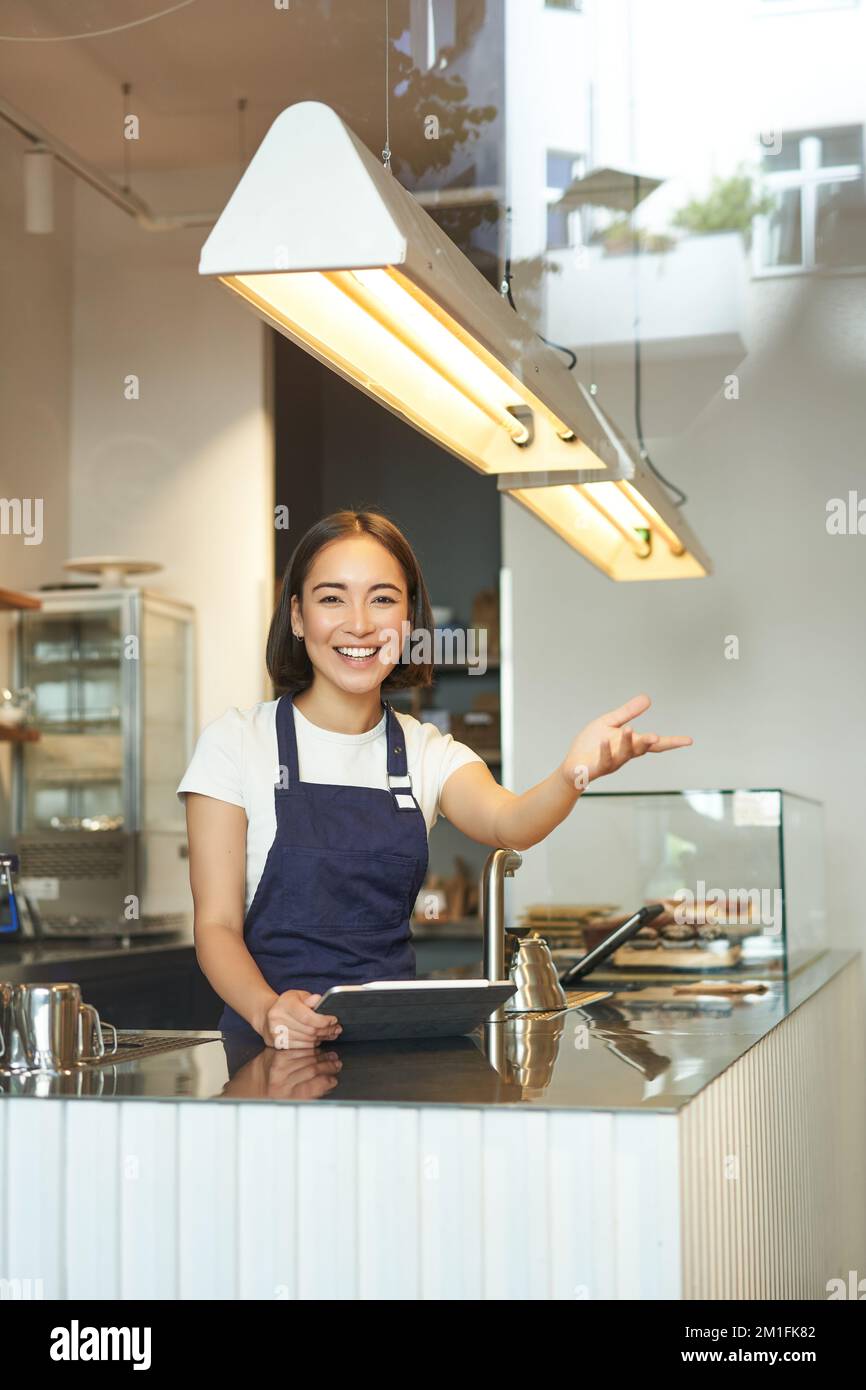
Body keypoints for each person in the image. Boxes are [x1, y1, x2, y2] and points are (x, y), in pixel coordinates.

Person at [179, 509, 692, 1051]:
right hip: (271, 1054)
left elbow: (509, 822)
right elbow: (215, 927)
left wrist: (573, 774)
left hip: (397, 1053)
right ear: (298, 617)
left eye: (382, 598)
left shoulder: (425, 751)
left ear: (408, 621)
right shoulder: (236, 743)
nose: (359, 622)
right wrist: (268, 1011)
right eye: (332, 598)